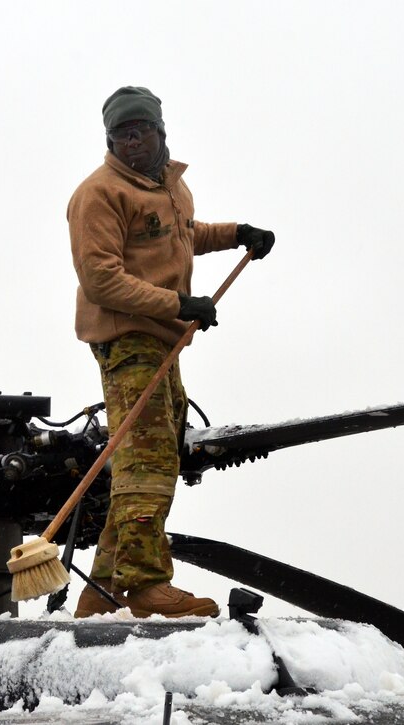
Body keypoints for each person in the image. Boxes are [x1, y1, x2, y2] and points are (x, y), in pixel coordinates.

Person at [67, 86, 275, 618]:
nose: (132, 143)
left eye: (141, 132)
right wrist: (178, 304)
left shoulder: (170, 188)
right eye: (122, 136)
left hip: (161, 335)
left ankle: (101, 593)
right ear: (110, 140)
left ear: (161, 133)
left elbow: (181, 234)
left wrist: (234, 235)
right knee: (148, 461)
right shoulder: (99, 194)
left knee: (151, 452)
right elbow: (101, 281)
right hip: (127, 337)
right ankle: (145, 586)